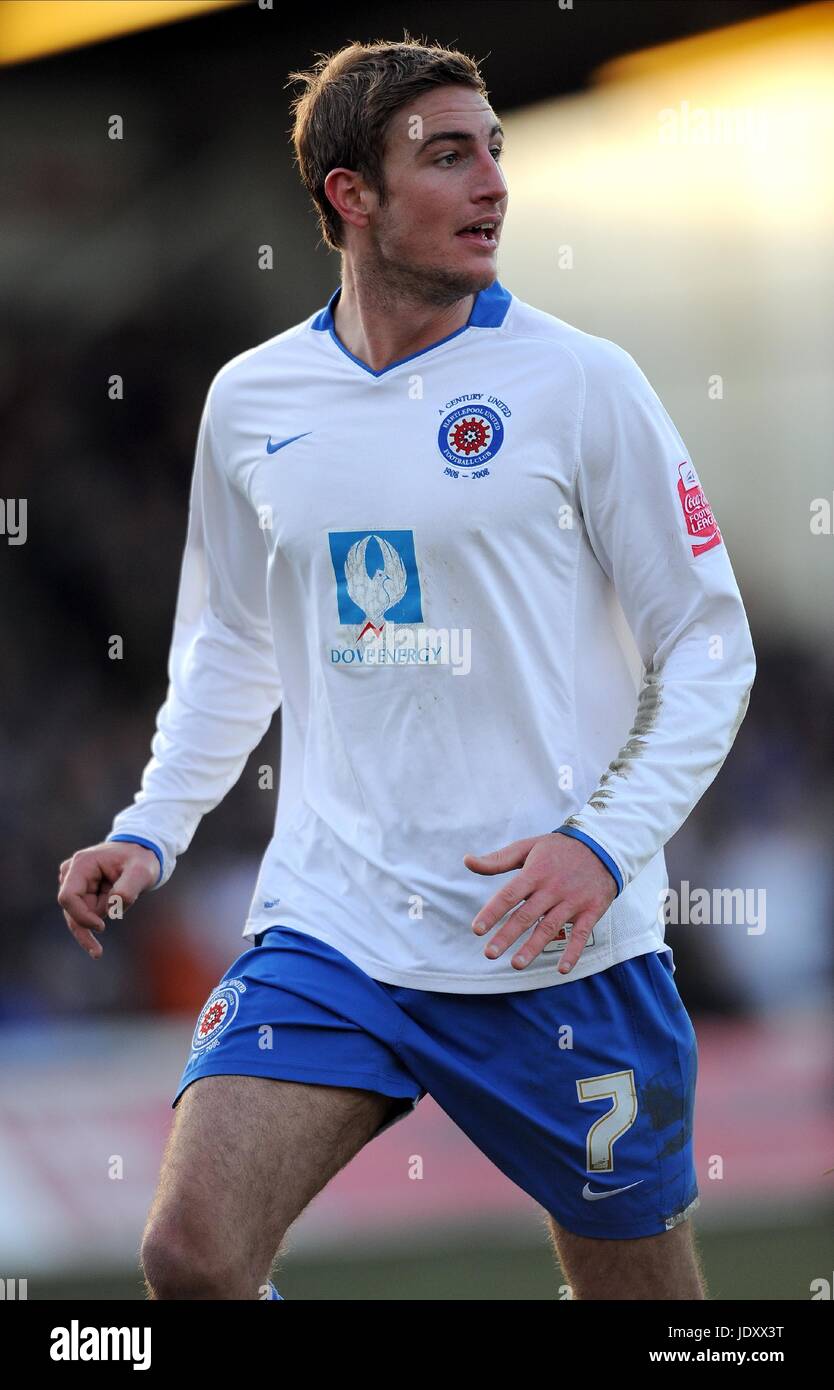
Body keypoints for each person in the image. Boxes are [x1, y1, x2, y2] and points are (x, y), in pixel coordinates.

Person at [57, 36, 756, 1301]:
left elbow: (709, 644)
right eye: (448, 155)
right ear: (350, 195)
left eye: (496, 149)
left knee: (647, 1306)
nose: (492, 183)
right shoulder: (250, 399)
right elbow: (233, 642)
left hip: (561, 944)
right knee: (190, 1256)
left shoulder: (584, 383)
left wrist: (599, 845)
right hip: (339, 923)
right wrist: (152, 827)